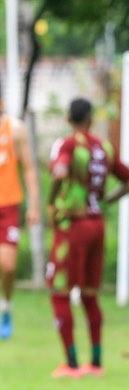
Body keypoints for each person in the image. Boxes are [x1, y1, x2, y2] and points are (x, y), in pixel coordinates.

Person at [47, 98, 129, 378]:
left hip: (73, 225)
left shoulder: (69, 144)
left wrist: (52, 203)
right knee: (89, 295)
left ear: (68, 118)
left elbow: (61, 171)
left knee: (59, 292)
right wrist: (106, 200)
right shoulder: (104, 147)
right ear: (90, 118)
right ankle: (96, 363)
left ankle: (71, 364)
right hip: (97, 224)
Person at [0, 90, 41, 340]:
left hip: (8, 206)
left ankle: (6, 306)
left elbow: (29, 169)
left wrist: (34, 205)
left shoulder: (15, 130)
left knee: (8, 264)